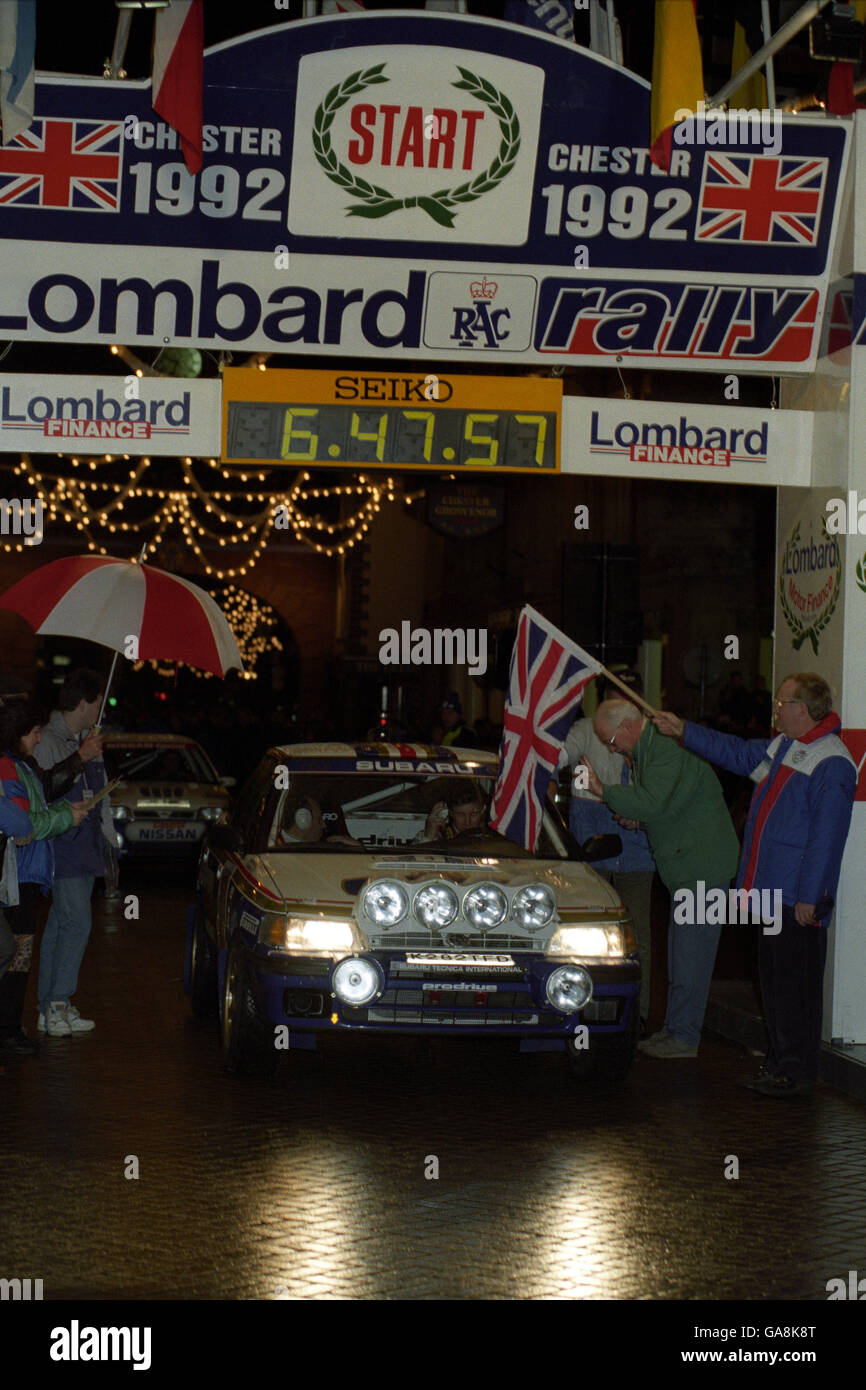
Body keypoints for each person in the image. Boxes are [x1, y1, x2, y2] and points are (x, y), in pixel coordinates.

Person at [653, 672, 856, 1098]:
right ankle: (780, 1065)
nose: (776, 710)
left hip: (791, 898)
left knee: (793, 988)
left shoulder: (830, 761)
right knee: (775, 985)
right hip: (770, 893)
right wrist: (685, 731)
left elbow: (827, 837)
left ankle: (795, 1072)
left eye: (783, 704)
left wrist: (810, 897)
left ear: (804, 709)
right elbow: (735, 752)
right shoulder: (786, 747)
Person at [583, 699, 740, 1059]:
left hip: (702, 867)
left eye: (611, 741)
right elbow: (671, 804)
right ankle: (674, 1030)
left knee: (692, 958)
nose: (613, 748)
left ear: (626, 727)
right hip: (692, 866)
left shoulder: (664, 747)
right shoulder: (654, 748)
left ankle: (684, 1038)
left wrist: (603, 790)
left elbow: (653, 801)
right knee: (682, 955)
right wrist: (639, 820)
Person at [562, 673, 656, 1023]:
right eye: (611, 702)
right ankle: (587, 1009)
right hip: (592, 844)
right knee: (590, 931)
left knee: (637, 934)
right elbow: (561, 754)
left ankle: (638, 1016)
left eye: (626, 703)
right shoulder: (586, 730)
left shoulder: (653, 737)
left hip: (637, 845)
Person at [0, 700, 88, 1055]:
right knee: (15, 954)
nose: (38, 739)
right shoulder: (9, 768)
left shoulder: (20, 765)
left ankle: (10, 1027)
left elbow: (33, 815)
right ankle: (7, 1030)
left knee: (19, 955)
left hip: (26, 872)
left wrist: (66, 811)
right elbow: (27, 825)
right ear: (17, 734)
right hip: (17, 874)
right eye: (33, 732)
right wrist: (66, 819)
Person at [32, 669, 112, 1038]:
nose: (100, 710)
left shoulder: (82, 739)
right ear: (83, 702)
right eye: (97, 703)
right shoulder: (50, 740)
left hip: (81, 846)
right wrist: (81, 756)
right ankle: (57, 1004)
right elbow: (44, 790)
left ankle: (50, 1006)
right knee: (76, 924)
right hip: (64, 848)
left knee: (59, 927)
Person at [419, 783, 486, 841]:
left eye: (473, 814)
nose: (467, 822)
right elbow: (415, 855)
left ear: (482, 811)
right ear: (451, 813)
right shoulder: (437, 834)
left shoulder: (491, 836)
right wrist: (429, 836)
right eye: (460, 815)